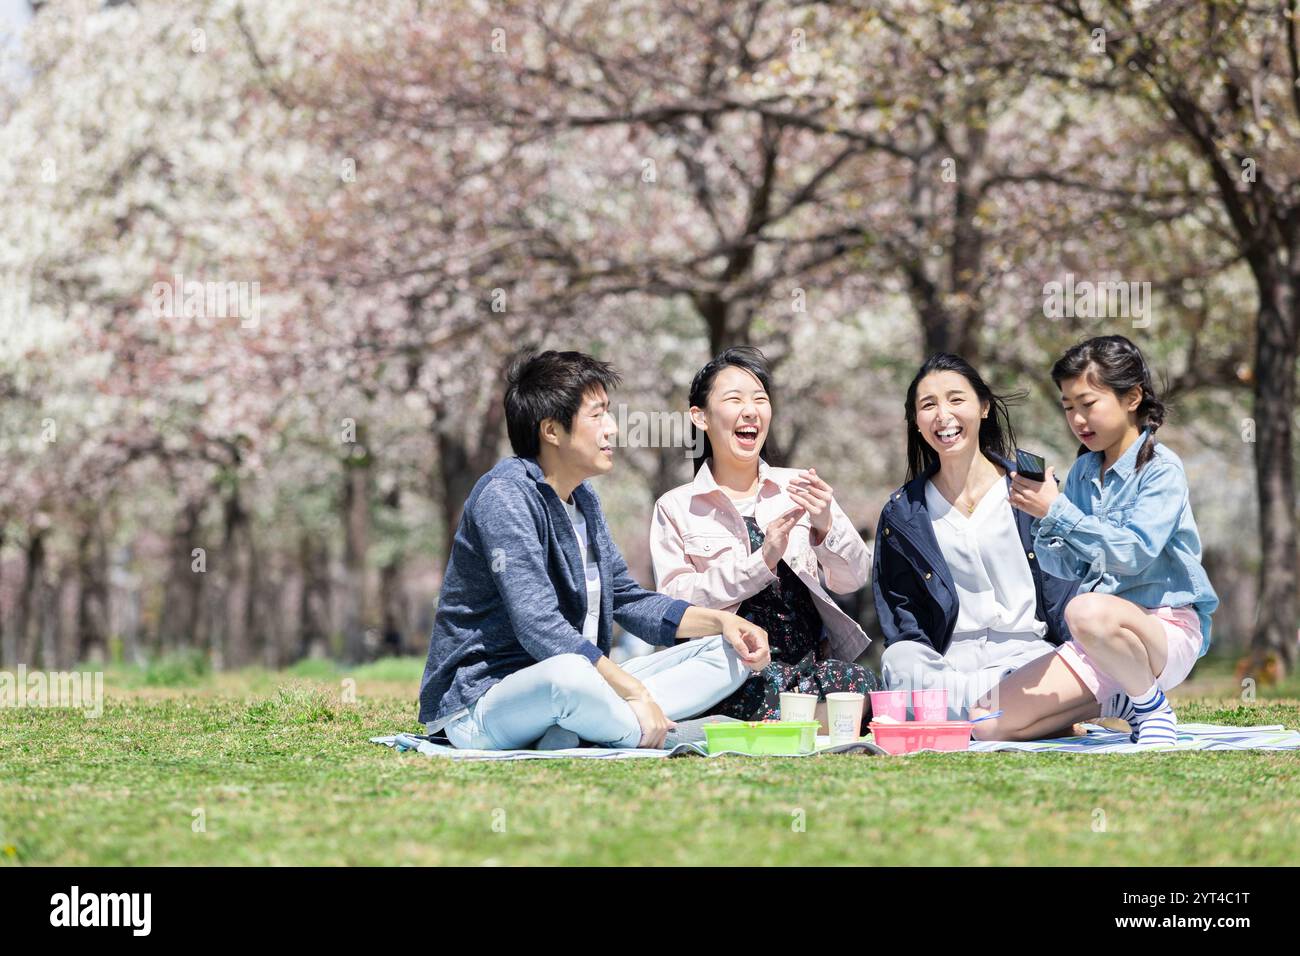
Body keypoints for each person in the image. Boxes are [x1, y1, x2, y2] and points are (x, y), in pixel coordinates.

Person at [417, 349, 771, 751]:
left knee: (729, 653)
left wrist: (720, 623)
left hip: (585, 686)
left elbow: (627, 598)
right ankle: (644, 730)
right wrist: (633, 690)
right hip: (484, 702)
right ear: (552, 431)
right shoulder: (505, 496)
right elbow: (538, 625)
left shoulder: (583, 498)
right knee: (567, 675)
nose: (613, 429)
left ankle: (592, 728)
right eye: (598, 415)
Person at [971, 335, 1219, 745]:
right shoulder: (1084, 471)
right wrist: (1043, 520)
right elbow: (1065, 568)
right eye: (1068, 407)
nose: (1078, 420)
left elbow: (1132, 553)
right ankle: (1124, 701)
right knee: (986, 719)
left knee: (1083, 609)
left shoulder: (1161, 470)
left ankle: (1152, 707)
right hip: (1099, 640)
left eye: (1088, 404)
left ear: (1132, 397)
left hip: (1163, 629)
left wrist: (1059, 512)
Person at [650, 346, 878, 733]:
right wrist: (762, 561)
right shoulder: (676, 506)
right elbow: (675, 607)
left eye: (760, 399)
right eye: (734, 399)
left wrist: (825, 525)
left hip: (808, 669)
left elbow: (855, 577)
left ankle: (782, 726)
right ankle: (802, 726)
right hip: (732, 671)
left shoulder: (799, 487)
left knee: (860, 684)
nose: (751, 410)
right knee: (758, 693)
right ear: (700, 417)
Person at [874, 353, 1078, 719]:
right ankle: (1005, 715)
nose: (943, 415)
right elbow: (904, 617)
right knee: (899, 661)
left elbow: (1067, 586)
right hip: (947, 666)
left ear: (984, 407)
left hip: (1026, 657)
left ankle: (966, 714)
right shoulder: (902, 513)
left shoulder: (1032, 489)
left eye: (956, 399)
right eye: (928, 405)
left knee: (1052, 670)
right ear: (916, 421)